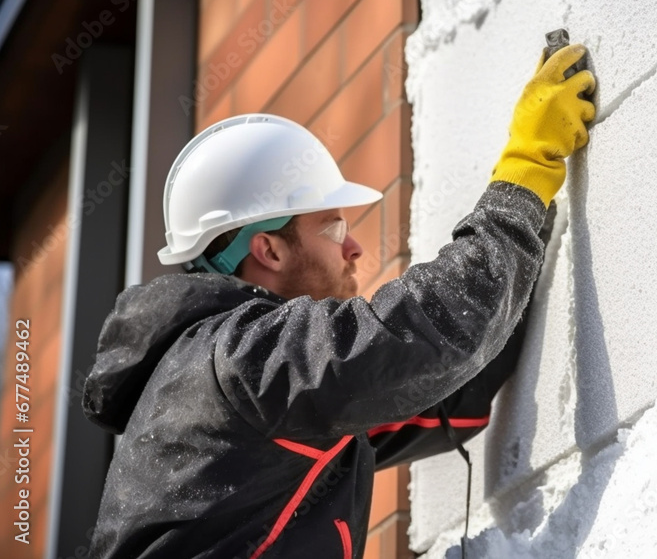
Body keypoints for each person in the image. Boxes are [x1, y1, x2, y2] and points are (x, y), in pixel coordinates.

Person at [81, 44, 596, 558]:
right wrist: (527, 169)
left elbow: (447, 395)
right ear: (269, 250)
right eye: (334, 227)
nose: (354, 248)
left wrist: (530, 229)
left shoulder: (239, 394)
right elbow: (427, 332)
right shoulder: (242, 362)